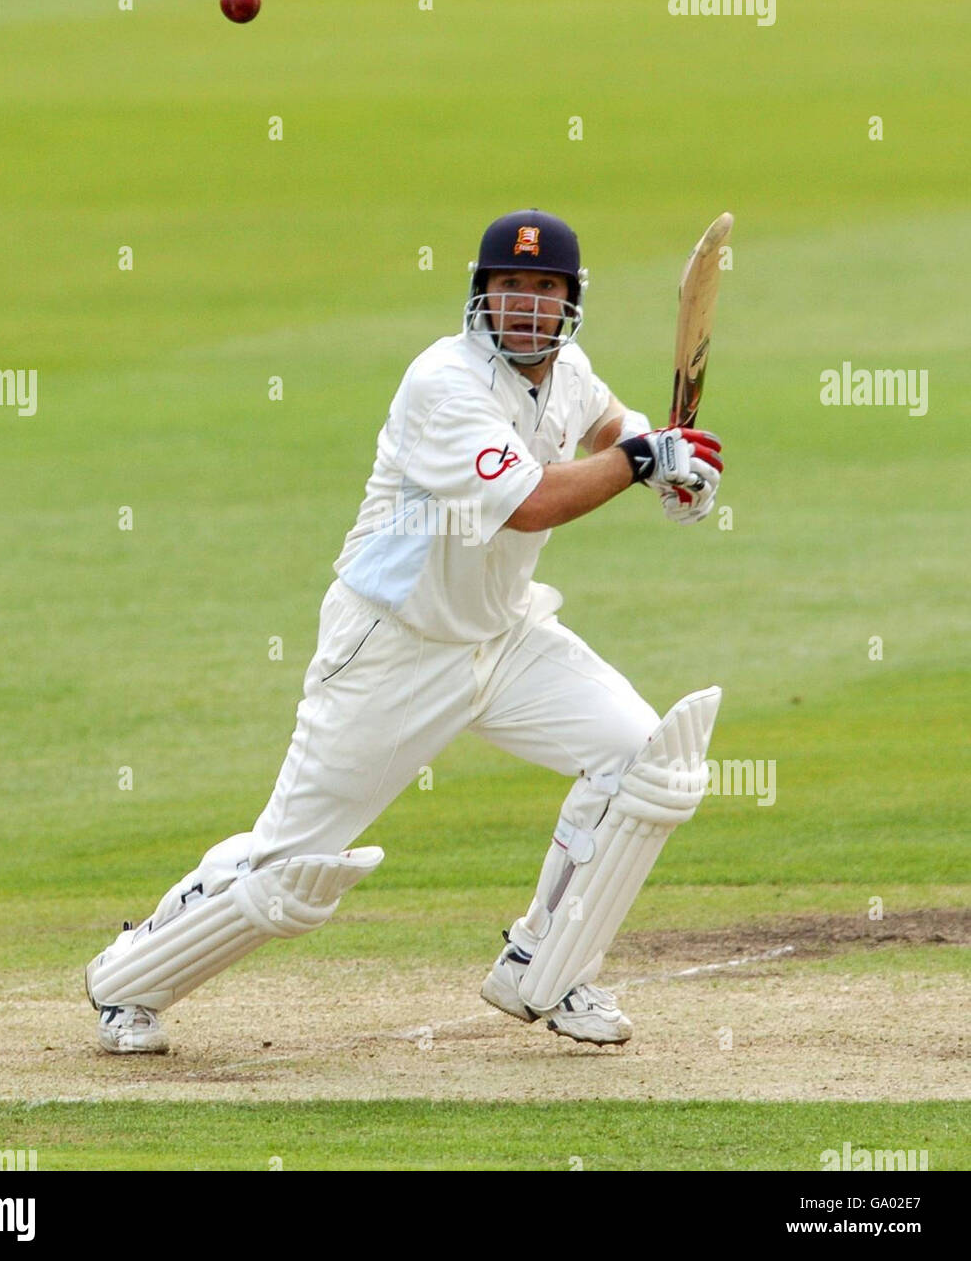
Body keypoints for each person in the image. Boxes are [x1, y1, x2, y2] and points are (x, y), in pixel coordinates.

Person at [86, 209, 724, 1054]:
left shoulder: (567, 371)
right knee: (290, 876)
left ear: (569, 301)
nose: (525, 305)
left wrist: (666, 462)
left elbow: (609, 427)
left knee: (648, 760)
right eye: (508, 286)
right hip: (393, 647)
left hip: (501, 640)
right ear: (480, 295)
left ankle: (546, 963)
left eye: (542, 288)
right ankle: (129, 978)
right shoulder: (444, 384)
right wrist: (646, 462)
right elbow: (530, 501)